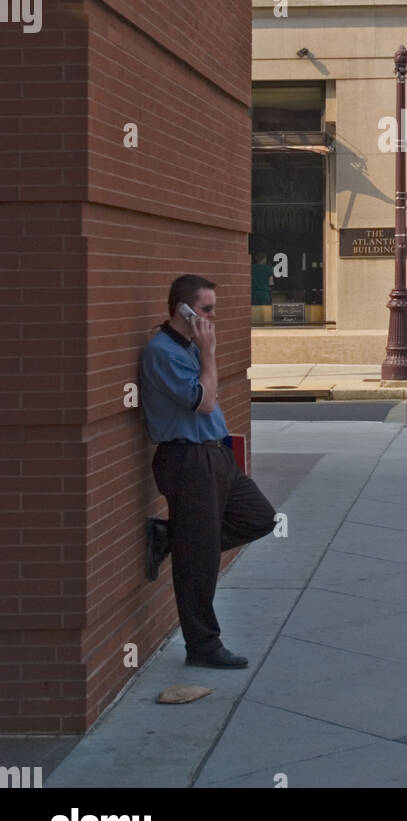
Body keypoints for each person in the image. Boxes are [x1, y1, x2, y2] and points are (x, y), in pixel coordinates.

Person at [140, 275, 277, 669]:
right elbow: (202, 401)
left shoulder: (191, 347)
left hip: (215, 454)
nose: (213, 317)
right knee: (199, 563)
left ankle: (173, 537)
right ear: (183, 309)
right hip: (187, 459)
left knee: (260, 517)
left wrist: (204, 351)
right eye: (206, 309)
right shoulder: (162, 352)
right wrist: (209, 353)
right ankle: (202, 646)